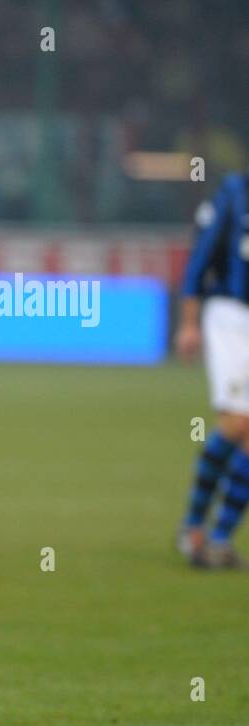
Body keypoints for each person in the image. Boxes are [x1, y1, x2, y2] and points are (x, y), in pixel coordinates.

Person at [175, 171, 249, 569]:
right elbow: (201, 257)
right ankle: (192, 524)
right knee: (237, 423)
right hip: (231, 315)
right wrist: (189, 322)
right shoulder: (235, 193)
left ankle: (220, 537)